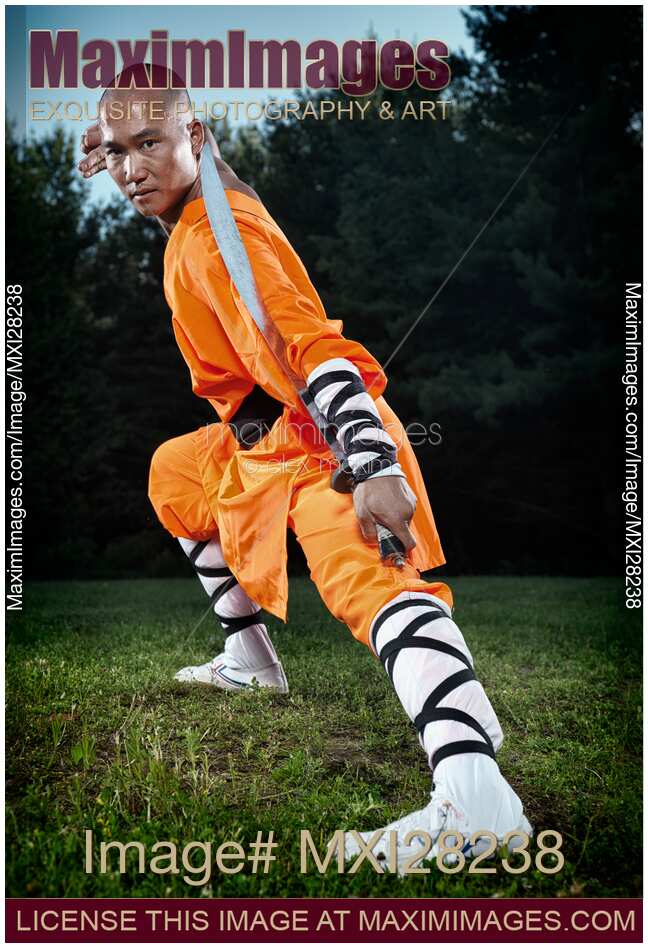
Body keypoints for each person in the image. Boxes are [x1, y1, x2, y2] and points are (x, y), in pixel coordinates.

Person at [78, 72, 531, 869]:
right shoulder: (199, 207)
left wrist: (371, 460)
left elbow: (312, 348)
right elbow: (193, 179)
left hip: (325, 446)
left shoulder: (227, 236)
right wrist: (136, 146)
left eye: (150, 144)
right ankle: (252, 667)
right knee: (177, 471)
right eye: (117, 153)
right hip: (259, 446)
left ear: (201, 138)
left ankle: (478, 801)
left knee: (377, 591)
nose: (130, 168)